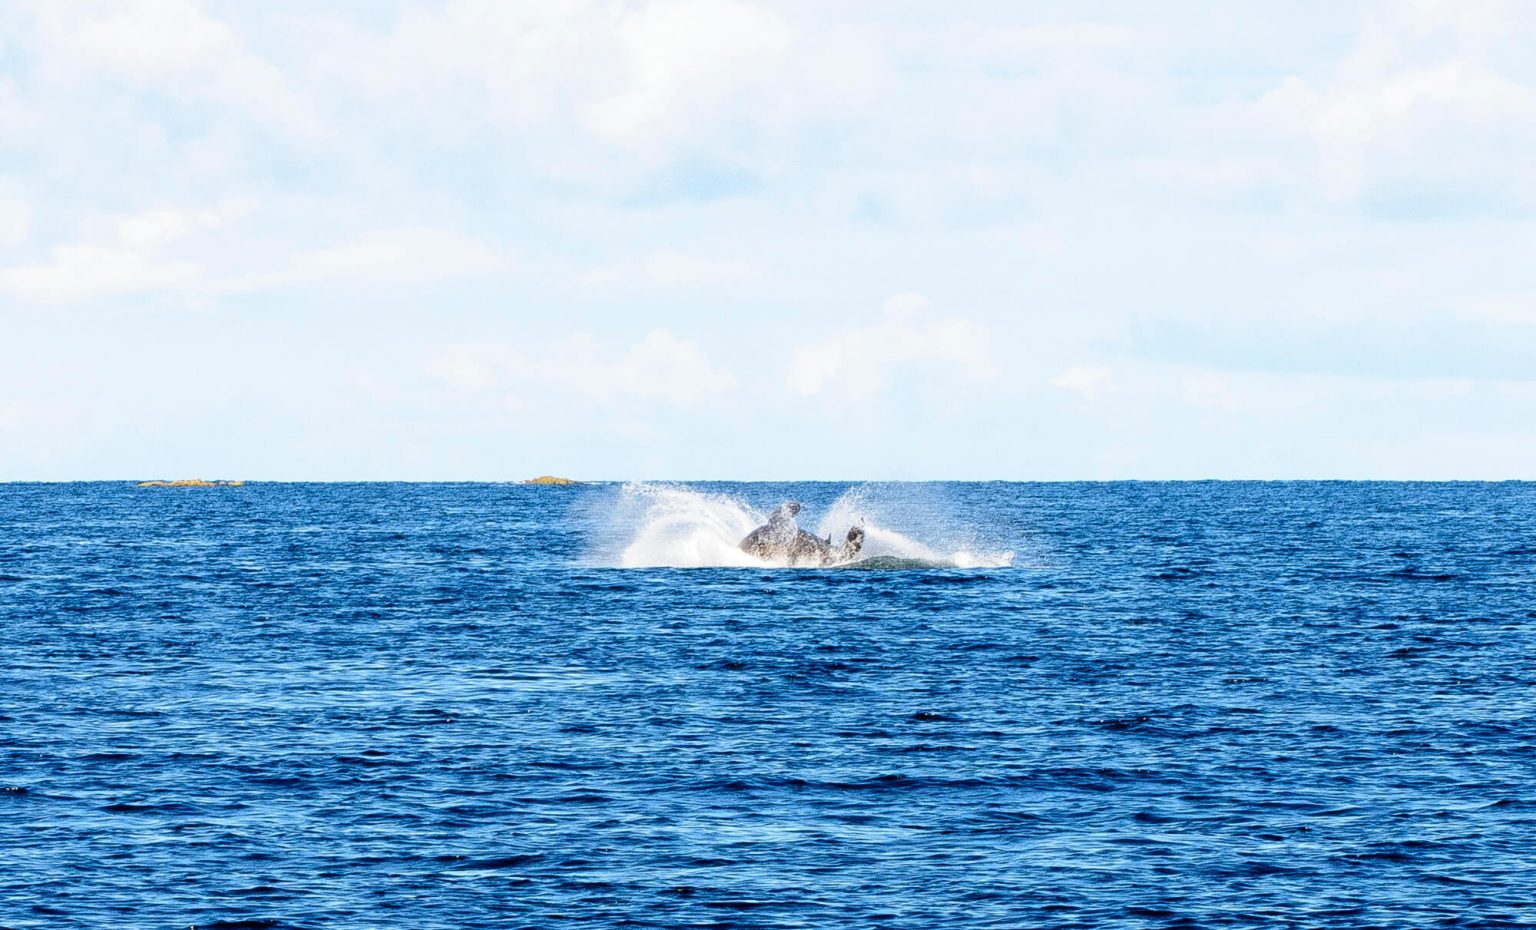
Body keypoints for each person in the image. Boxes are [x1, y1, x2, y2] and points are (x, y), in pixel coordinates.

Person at [740, 501, 865, 566]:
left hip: (808, 548)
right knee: (836, 556)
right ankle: (846, 550)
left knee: (836, 555)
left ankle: (846, 549)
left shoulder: (776, 530)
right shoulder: (762, 537)